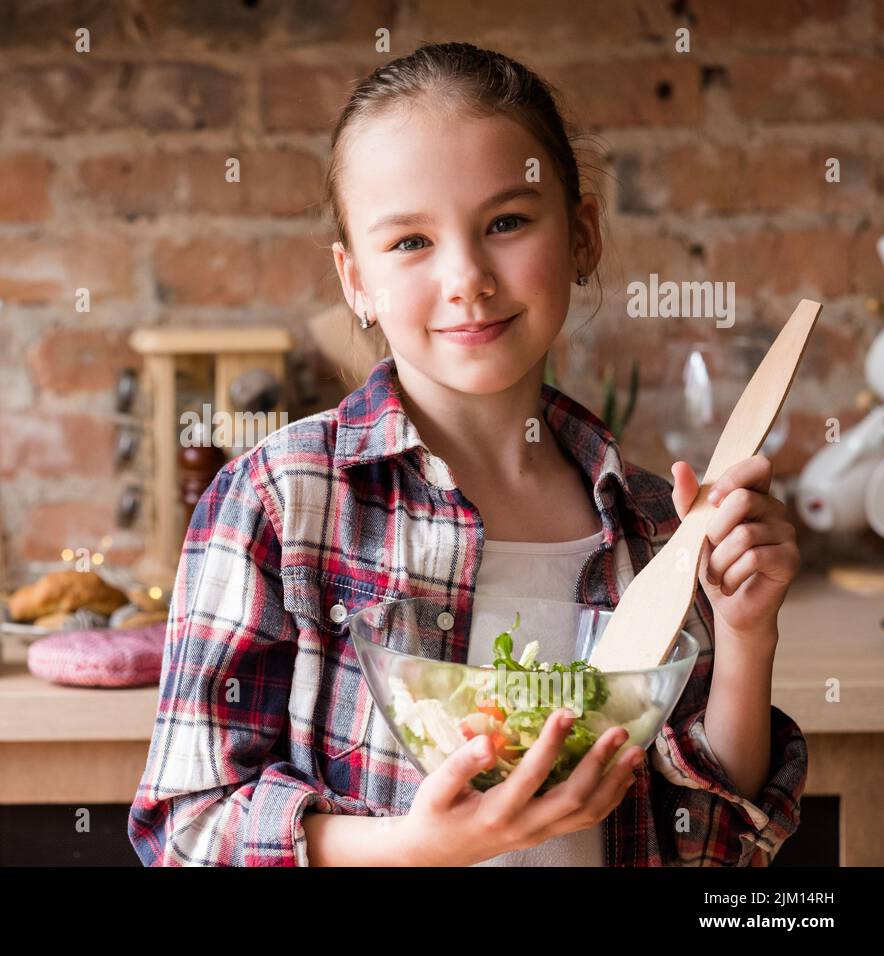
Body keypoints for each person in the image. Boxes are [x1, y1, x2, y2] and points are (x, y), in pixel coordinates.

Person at [128, 41, 807, 866]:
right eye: (411, 242)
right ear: (354, 281)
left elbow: (722, 846)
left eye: (507, 222)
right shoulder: (279, 501)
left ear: (583, 233)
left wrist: (745, 637)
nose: (468, 278)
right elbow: (188, 830)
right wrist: (412, 847)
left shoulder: (658, 524)